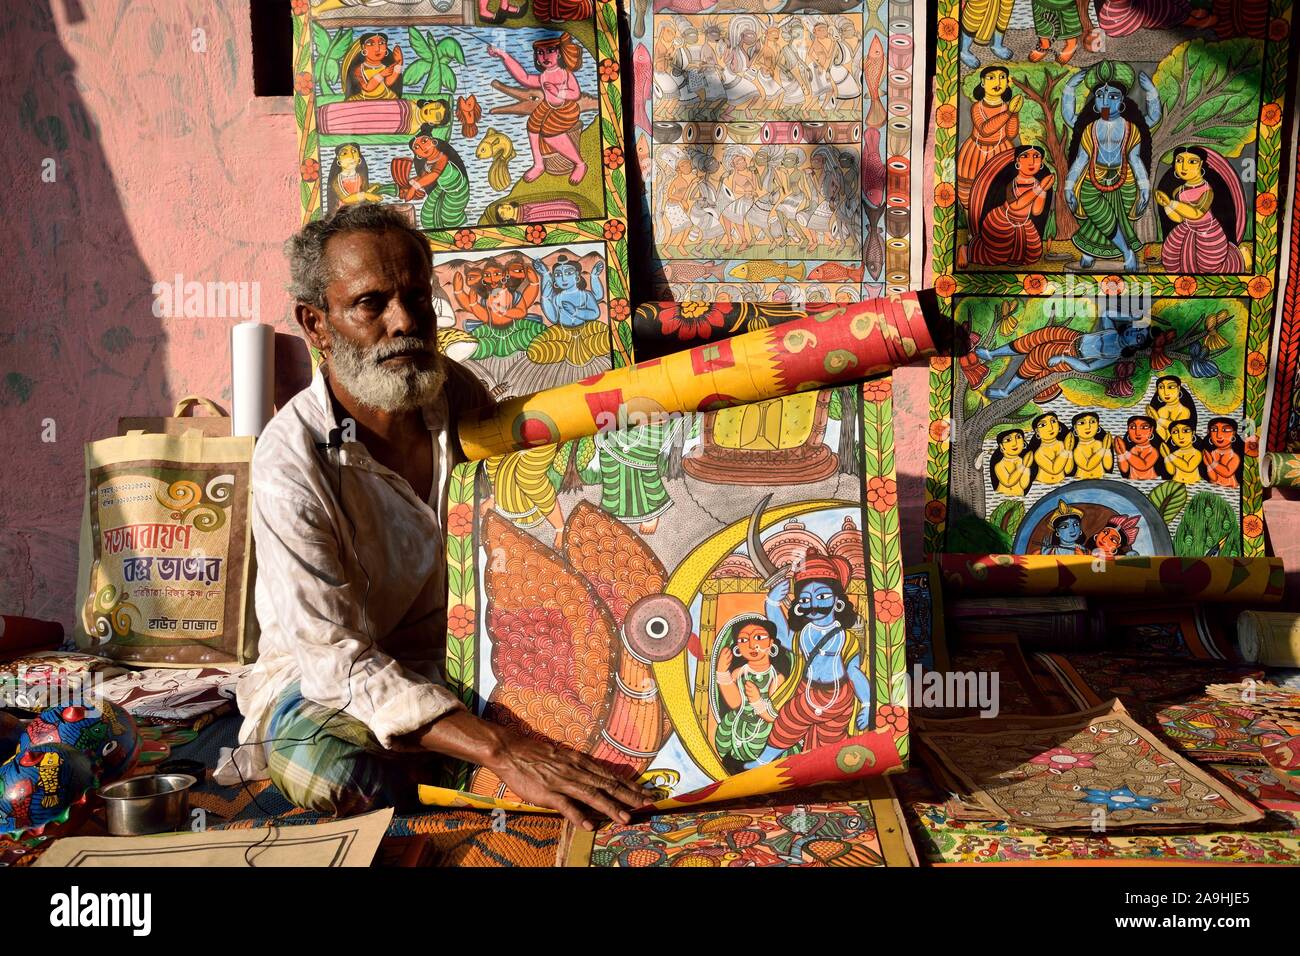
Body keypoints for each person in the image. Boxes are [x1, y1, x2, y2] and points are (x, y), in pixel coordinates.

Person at [214, 204, 644, 829]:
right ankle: (458, 765)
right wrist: (503, 748)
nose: (406, 322)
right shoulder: (290, 460)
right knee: (321, 766)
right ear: (317, 324)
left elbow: (516, 527)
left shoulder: (458, 397)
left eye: (417, 296)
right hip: (334, 683)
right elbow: (337, 663)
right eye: (370, 303)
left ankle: (451, 761)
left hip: (462, 660)